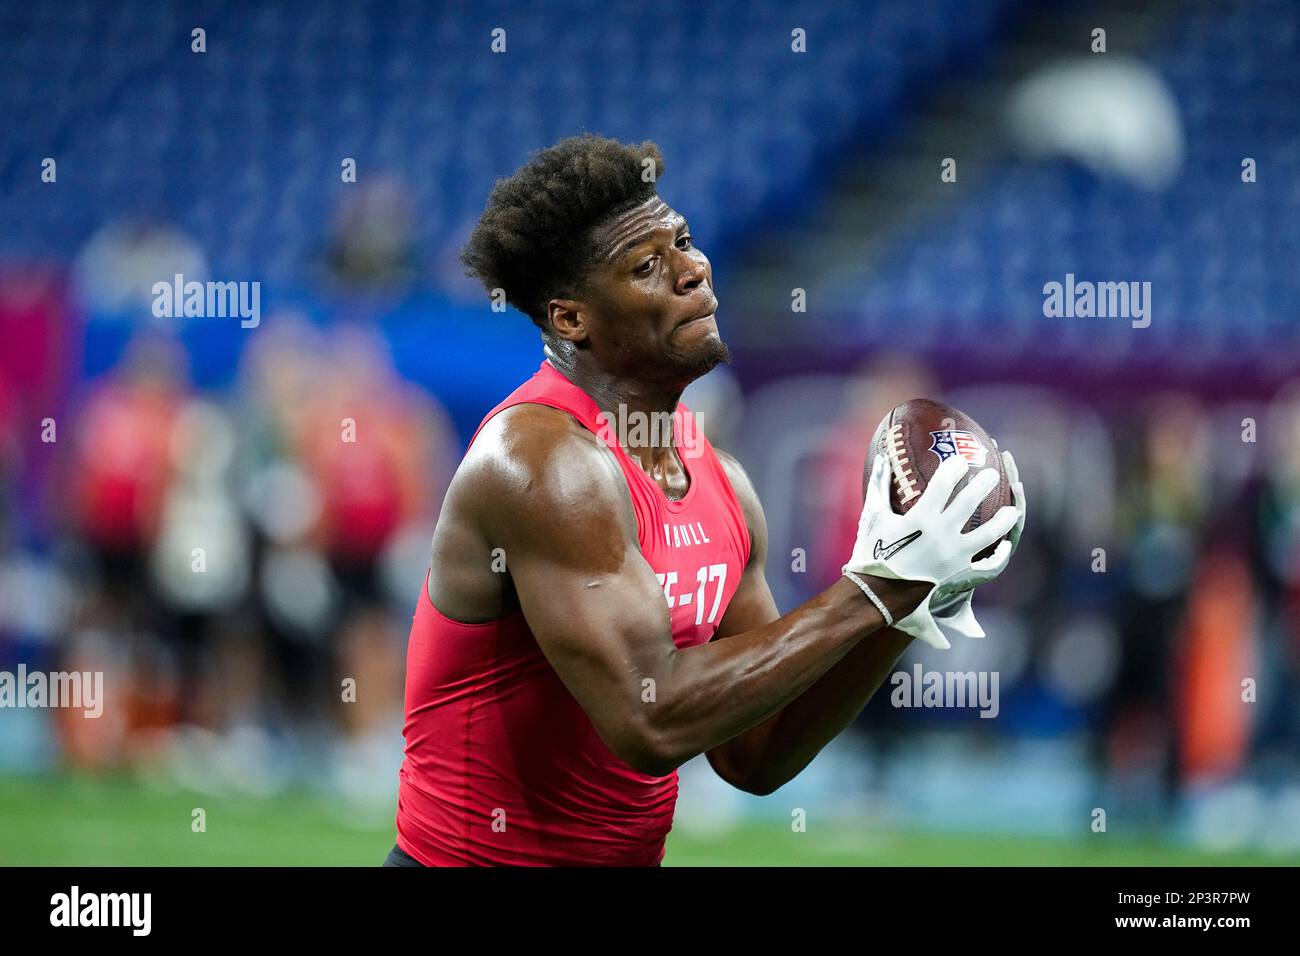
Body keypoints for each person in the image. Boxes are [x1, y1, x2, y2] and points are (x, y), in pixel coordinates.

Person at [388, 134, 1025, 866]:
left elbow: (755, 756)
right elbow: (648, 719)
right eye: (647, 266)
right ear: (571, 320)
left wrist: (913, 591)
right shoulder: (541, 461)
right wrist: (871, 589)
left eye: (684, 241)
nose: (693, 269)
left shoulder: (721, 479)